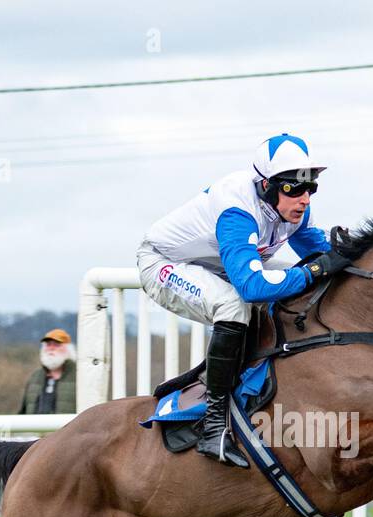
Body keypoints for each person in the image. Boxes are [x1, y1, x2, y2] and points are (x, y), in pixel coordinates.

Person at [136, 133, 351, 467]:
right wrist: (313, 269)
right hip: (165, 263)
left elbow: (320, 255)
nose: (304, 199)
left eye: (310, 188)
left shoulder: (295, 210)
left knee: (302, 276)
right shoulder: (238, 211)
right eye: (293, 188)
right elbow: (251, 286)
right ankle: (213, 425)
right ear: (266, 185)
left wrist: (348, 254)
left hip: (222, 265)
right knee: (235, 305)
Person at [18, 328, 77, 414]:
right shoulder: (35, 376)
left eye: (57, 344)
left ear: (68, 349)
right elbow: (23, 410)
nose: (51, 348)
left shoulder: (79, 375)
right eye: (48, 344)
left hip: (69, 427)